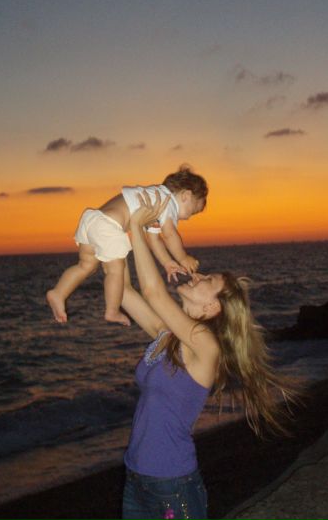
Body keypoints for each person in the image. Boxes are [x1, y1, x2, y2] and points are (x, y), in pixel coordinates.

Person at [121, 190, 298, 520]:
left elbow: (153, 292)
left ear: (213, 307)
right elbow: (125, 292)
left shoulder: (205, 344)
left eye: (208, 280)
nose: (197, 275)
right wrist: (107, 243)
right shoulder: (168, 334)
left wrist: (136, 226)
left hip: (173, 484)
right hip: (136, 477)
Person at [46, 167, 208, 325]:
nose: (188, 218)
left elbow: (154, 239)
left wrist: (167, 262)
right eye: (192, 211)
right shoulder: (167, 202)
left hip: (92, 220)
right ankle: (112, 310)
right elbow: (169, 234)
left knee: (86, 266)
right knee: (116, 270)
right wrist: (183, 258)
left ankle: (58, 293)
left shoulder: (155, 198)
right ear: (186, 195)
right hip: (109, 225)